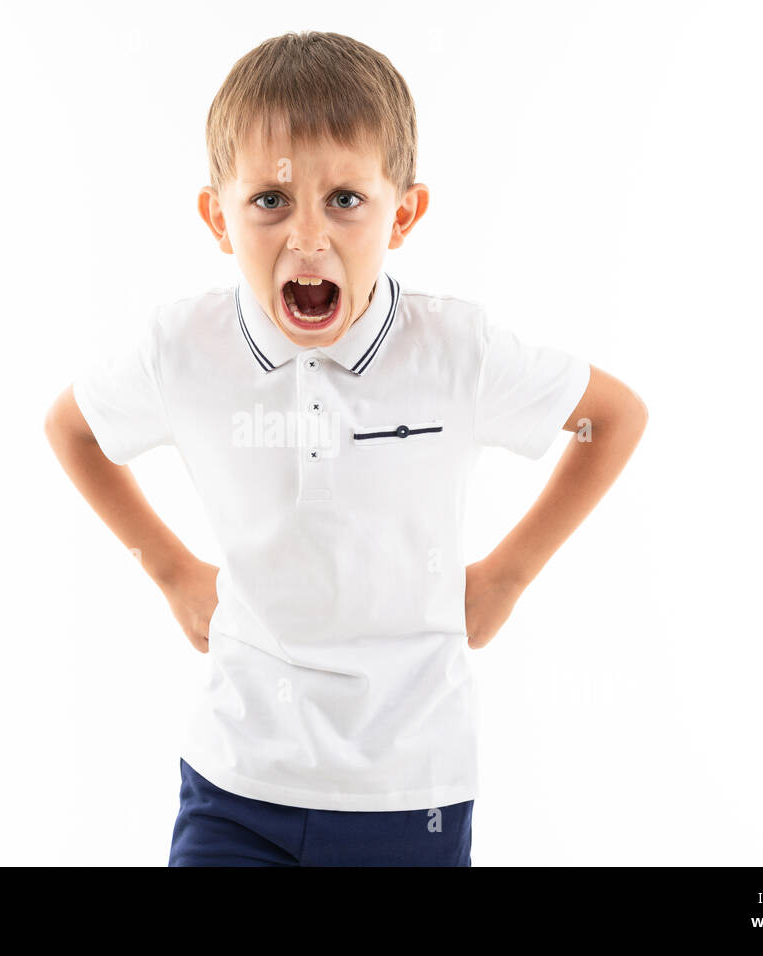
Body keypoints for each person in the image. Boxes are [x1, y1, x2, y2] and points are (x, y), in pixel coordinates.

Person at [44, 30, 648, 866]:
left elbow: (611, 417)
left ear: (403, 213)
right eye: (270, 201)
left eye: (346, 200)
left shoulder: (455, 351)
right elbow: (72, 429)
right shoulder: (183, 348)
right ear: (218, 217)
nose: (308, 237)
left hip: (411, 795)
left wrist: (505, 576)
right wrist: (171, 570)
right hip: (235, 784)